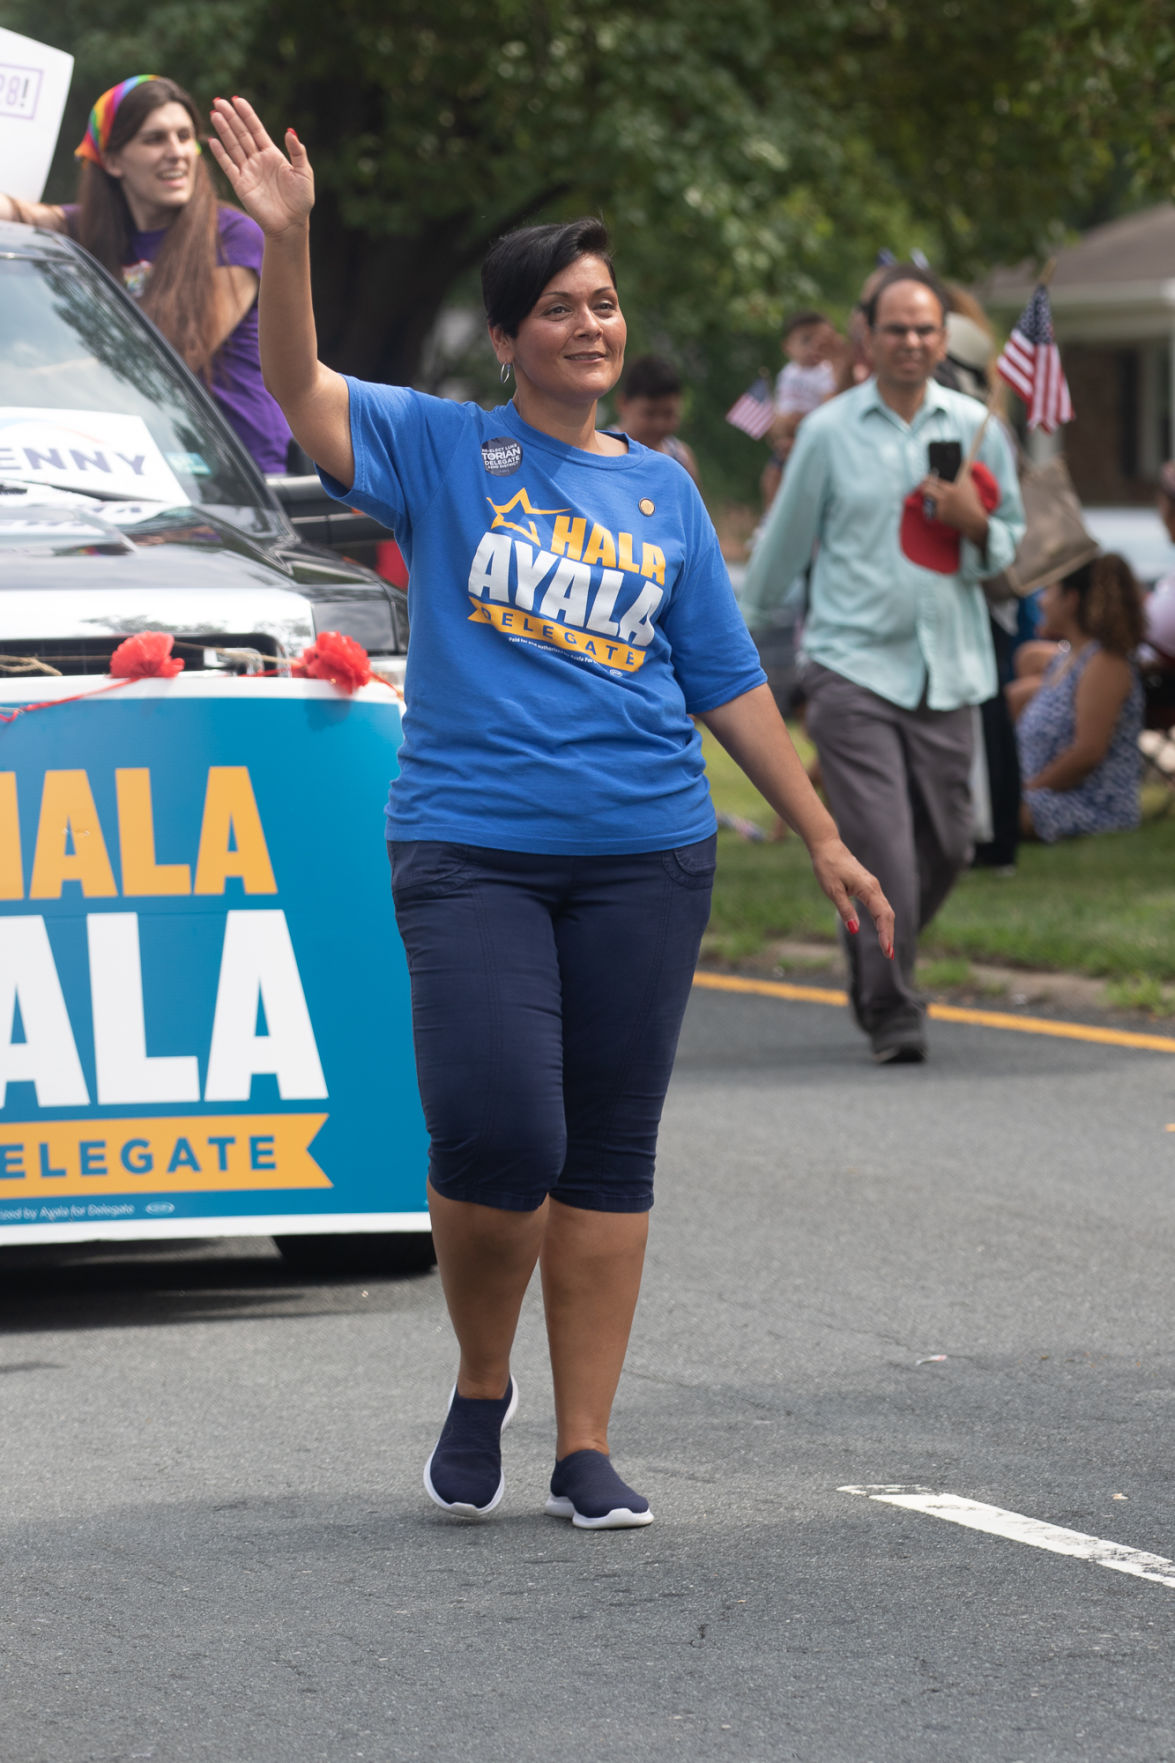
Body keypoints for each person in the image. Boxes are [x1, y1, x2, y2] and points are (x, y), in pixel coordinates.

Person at [206, 95, 892, 1529]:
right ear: (510, 337)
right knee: (496, 1128)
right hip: (471, 852)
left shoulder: (663, 496)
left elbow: (721, 680)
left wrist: (821, 829)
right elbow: (301, 386)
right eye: (564, 307)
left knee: (604, 1150)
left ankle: (584, 1444)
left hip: (647, 853)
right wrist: (284, 238)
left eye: (605, 301)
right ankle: (477, 1377)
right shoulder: (444, 450)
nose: (593, 323)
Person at [740, 263, 1025, 1065]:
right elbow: (781, 551)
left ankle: (869, 944)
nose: (910, 342)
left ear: (943, 338)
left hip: (951, 668)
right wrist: (736, 644)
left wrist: (976, 523)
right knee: (887, 854)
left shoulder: (978, 427)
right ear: (865, 337)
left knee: (952, 845)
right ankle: (894, 1010)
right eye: (895, 328)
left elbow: (1011, 546)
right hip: (850, 669)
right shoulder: (829, 432)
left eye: (924, 328)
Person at [0, 75, 291, 473]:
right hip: (141, 467)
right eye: (155, 139)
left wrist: (22, 380)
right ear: (113, 161)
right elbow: (16, 213)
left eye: (184, 136)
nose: (177, 153)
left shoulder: (232, 236)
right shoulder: (91, 230)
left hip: (242, 476)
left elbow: (166, 361)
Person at [1008, 554, 1145, 841]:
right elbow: (1030, 658)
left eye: (1048, 591)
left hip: (1090, 804)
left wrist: (1028, 790)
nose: (1041, 601)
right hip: (1044, 794)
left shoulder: (1106, 662)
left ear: (1071, 599)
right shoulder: (1070, 658)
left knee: (993, 814)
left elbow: (1088, 753)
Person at [613, 355, 701, 487]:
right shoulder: (604, 453)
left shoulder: (681, 458)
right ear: (623, 404)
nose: (659, 424)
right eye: (650, 413)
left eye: (668, 414)